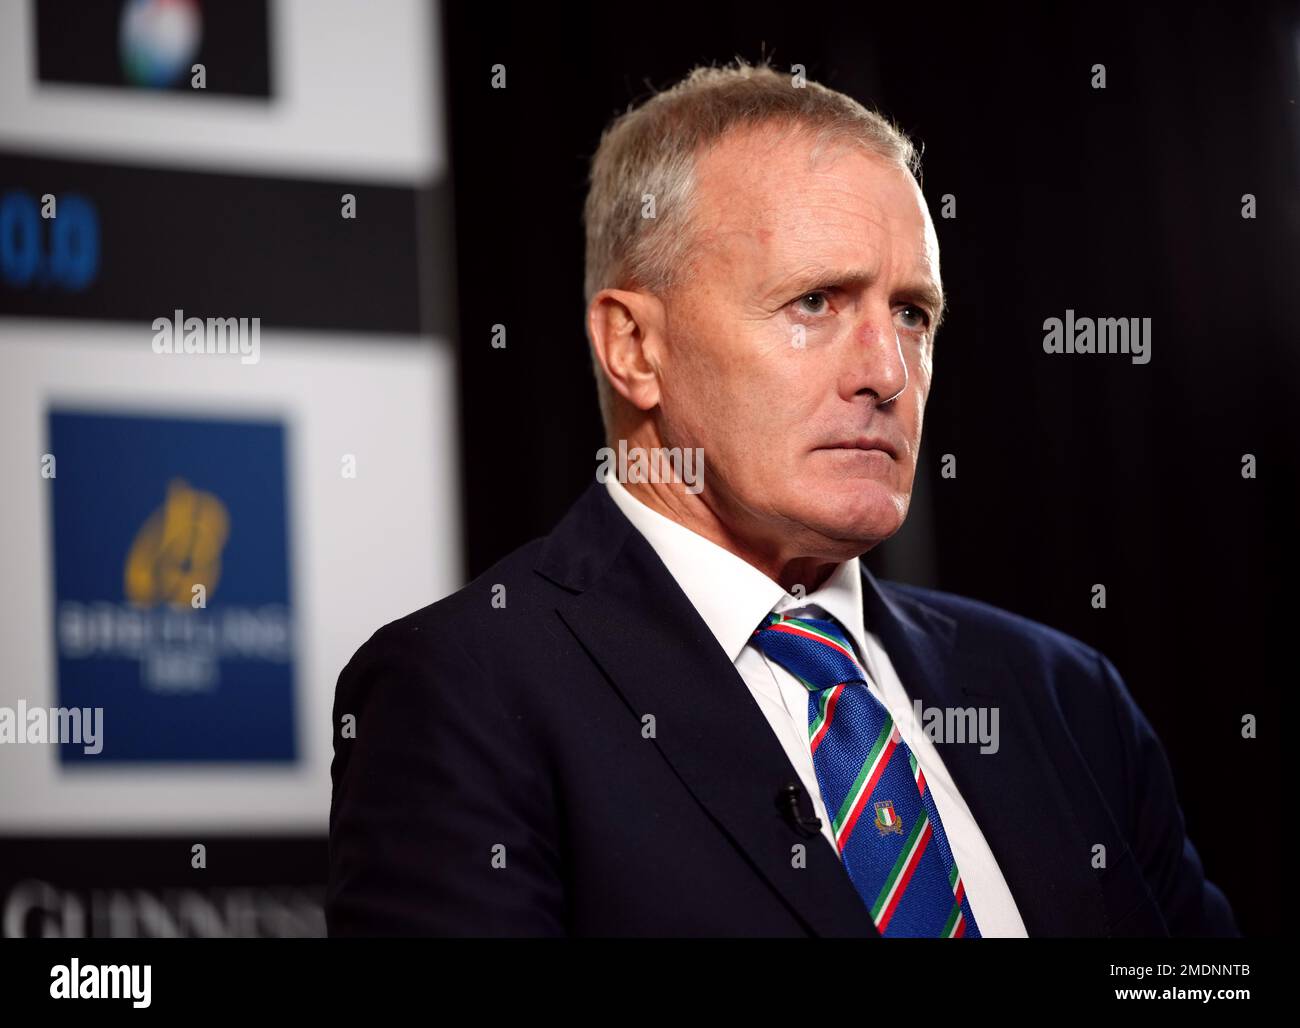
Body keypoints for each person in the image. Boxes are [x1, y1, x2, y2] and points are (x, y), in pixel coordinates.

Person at [326, 60, 1237, 937]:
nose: (887, 373)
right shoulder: (460, 695)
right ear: (635, 347)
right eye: (815, 302)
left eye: (913, 314)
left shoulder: (1060, 694)